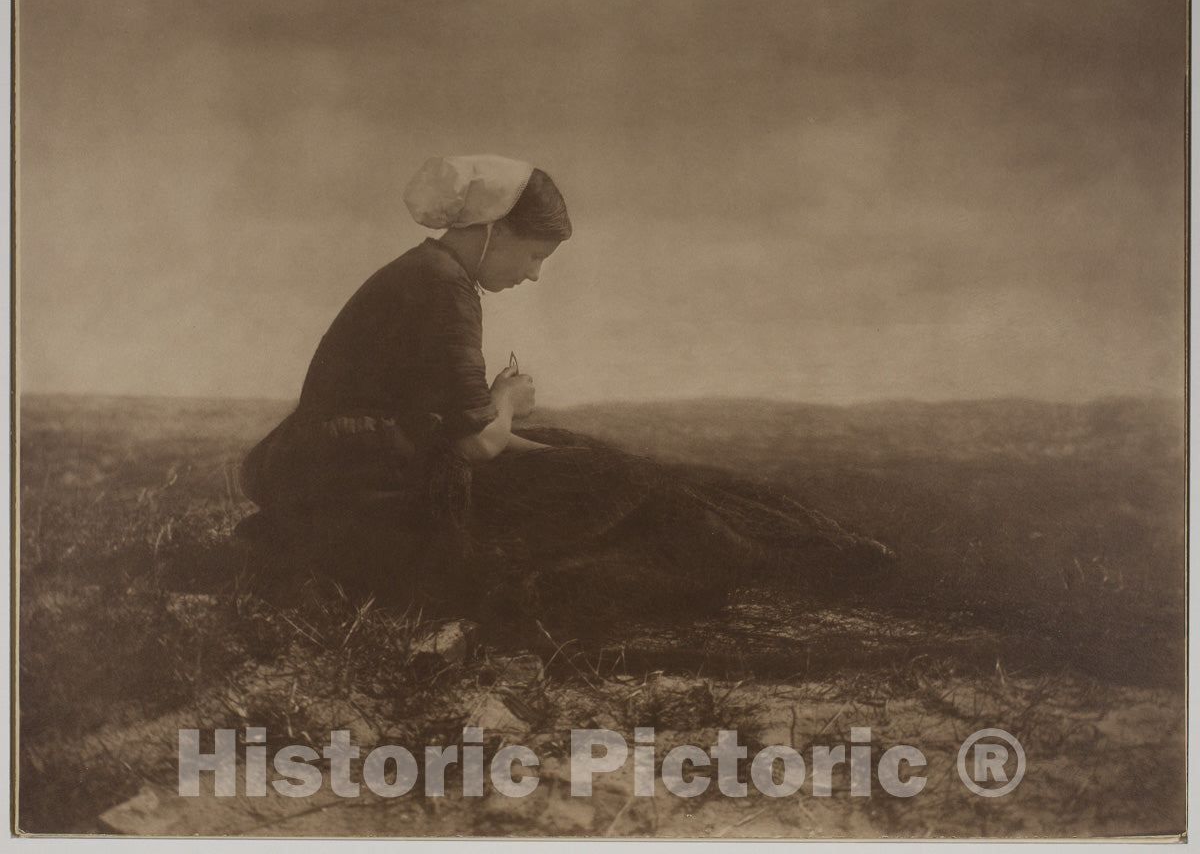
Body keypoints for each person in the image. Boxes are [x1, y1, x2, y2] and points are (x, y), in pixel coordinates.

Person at [239, 154, 892, 633]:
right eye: (532, 254)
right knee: (623, 486)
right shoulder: (446, 290)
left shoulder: (423, 273)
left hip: (343, 468)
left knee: (586, 460)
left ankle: (802, 550)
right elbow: (481, 443)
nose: (535, 273)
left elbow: (449, 426)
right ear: (490, 232)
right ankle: (810, 561)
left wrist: (513, 422)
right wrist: (509, 398)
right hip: (366, 484)